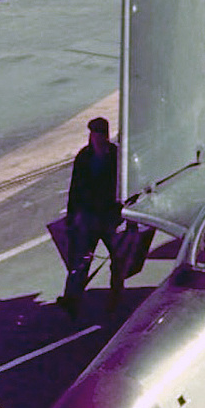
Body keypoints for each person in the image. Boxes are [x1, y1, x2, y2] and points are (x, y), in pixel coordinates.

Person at [57, 117, 124, 318]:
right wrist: (72, 217)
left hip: (110, 218)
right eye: (93, 133)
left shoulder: (116, 156)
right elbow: (75, 188)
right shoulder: (84, 157)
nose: (95, 137)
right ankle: (72, 300)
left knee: (118, 260)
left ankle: (116, 299)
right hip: (89, 217)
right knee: (80, 261)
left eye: (98, 133)